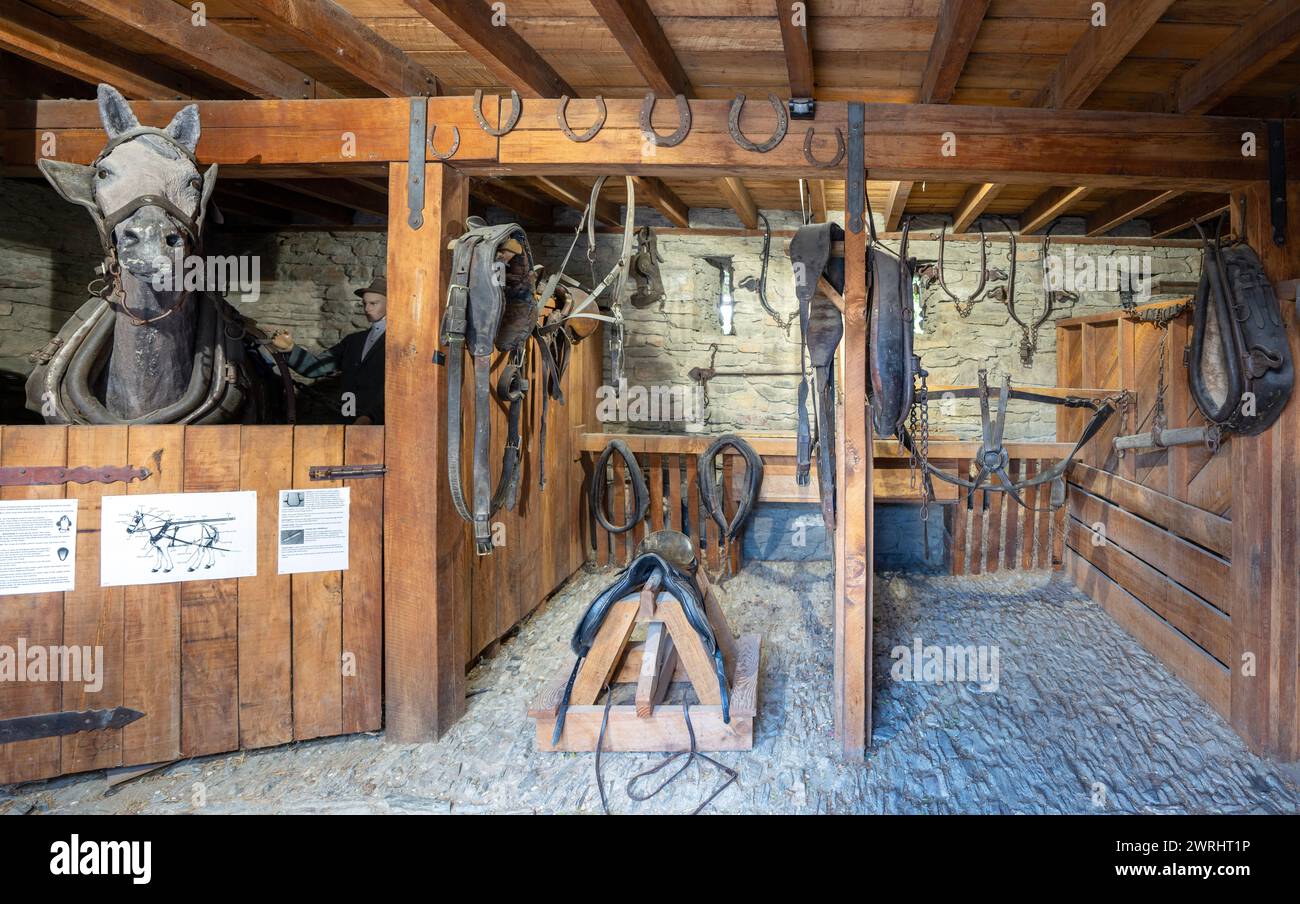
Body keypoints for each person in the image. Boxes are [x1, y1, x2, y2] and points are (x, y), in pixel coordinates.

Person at [271, 276, 386, 424]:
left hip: (384, 426)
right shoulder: (353, 342)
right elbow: (316, 368)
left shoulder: (401, 344)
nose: (366, 308)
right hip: (347, 419)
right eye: (364, 303)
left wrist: (372, 417)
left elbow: (402, 390)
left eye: (373, 303)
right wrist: (290, 348)